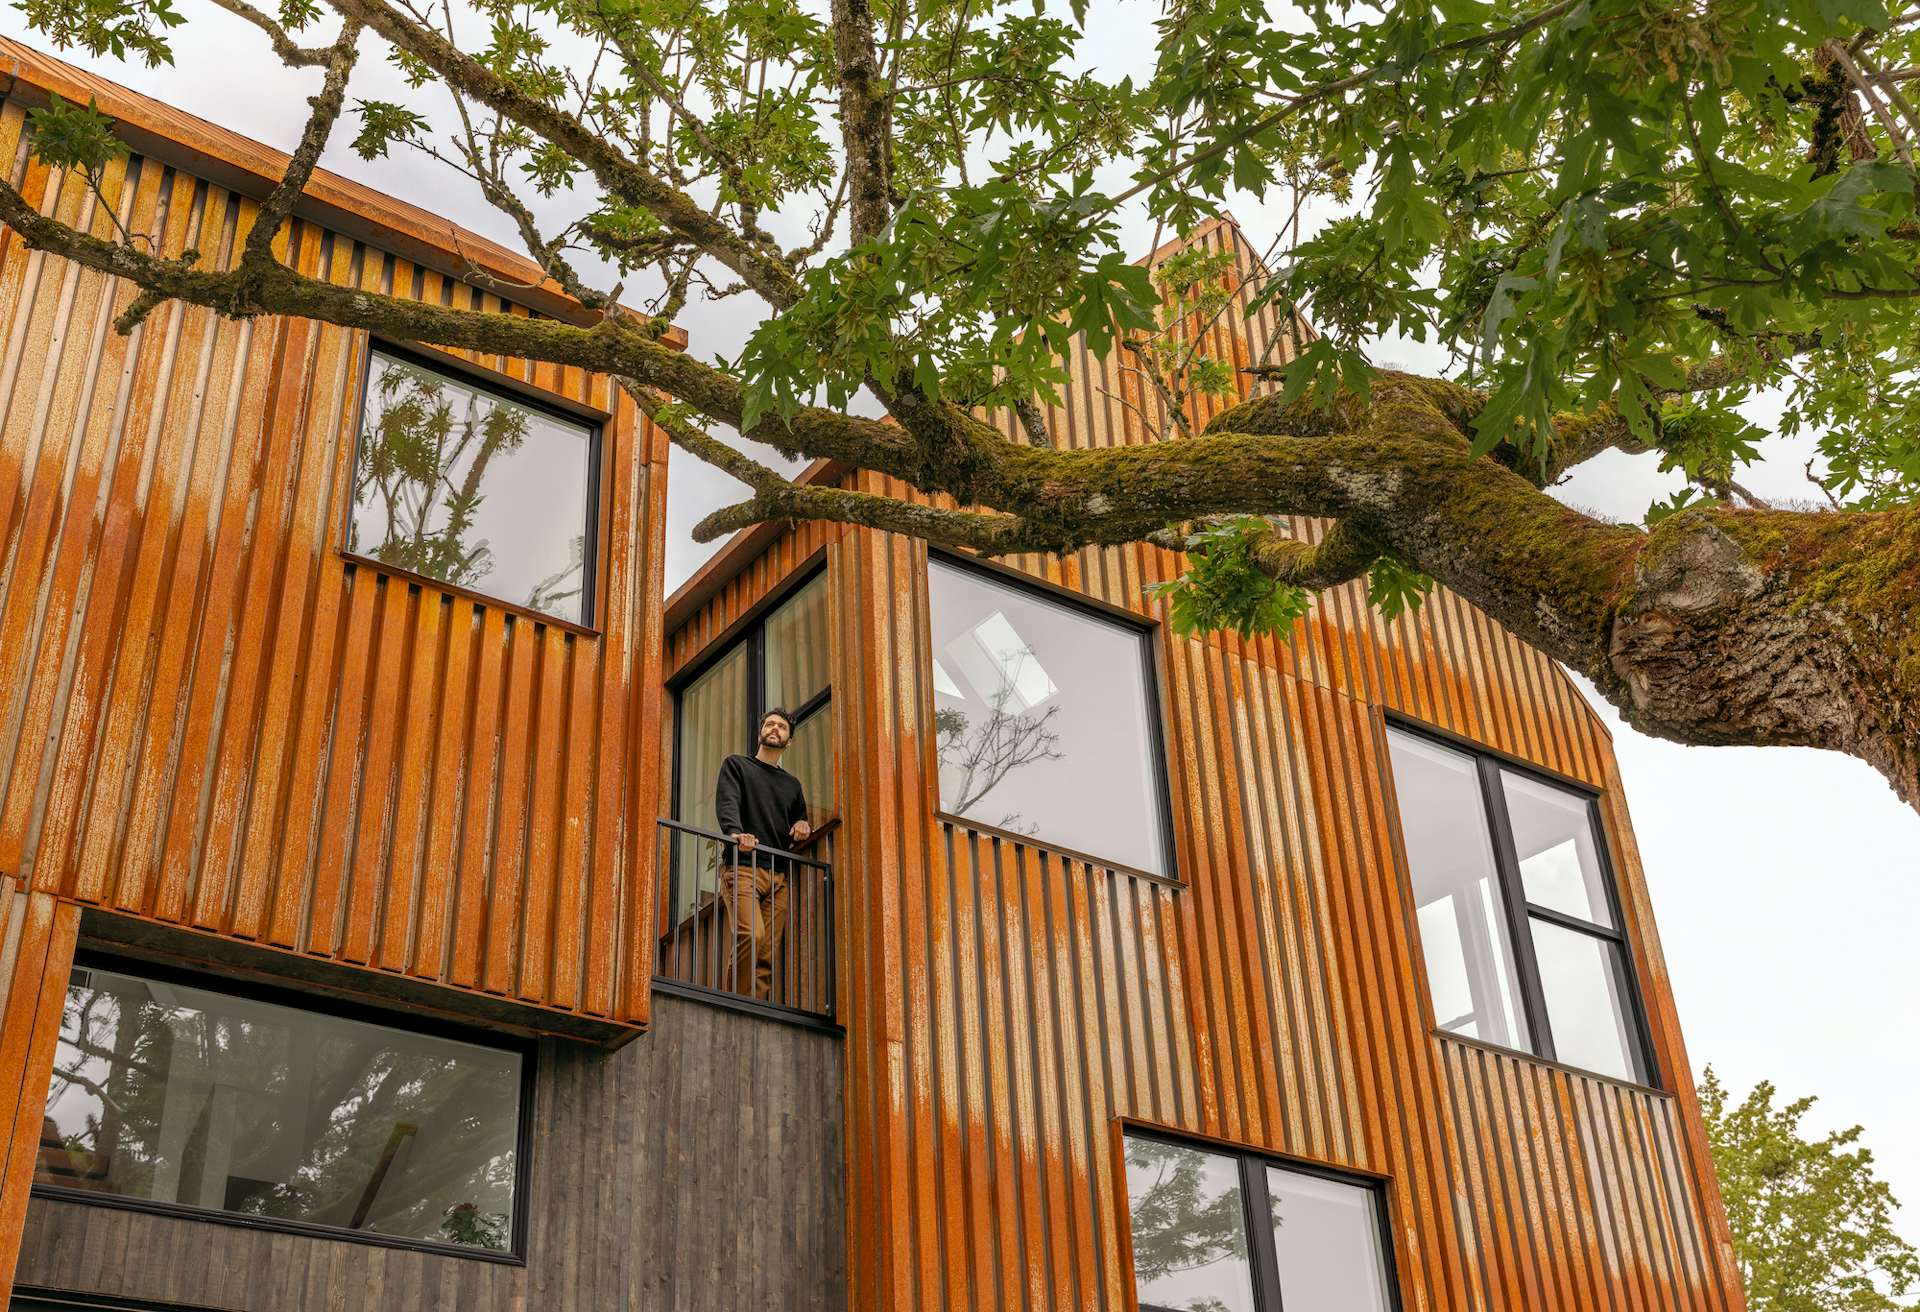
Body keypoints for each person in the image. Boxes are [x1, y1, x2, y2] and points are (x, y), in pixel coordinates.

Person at [713, 707, 811, 1000]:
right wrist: (735, 834)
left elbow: (800, 821)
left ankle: (755, 1006)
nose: (775, 729)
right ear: (760, 733)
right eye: (769, 724)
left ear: (789, 741)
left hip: (779, 875)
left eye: (781, 727)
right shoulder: (737, 766)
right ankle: (738, 1003)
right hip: (744, 866)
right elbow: (728, 803)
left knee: (767, 950)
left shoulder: (792, 786)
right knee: (751, 935)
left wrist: (803, 824)